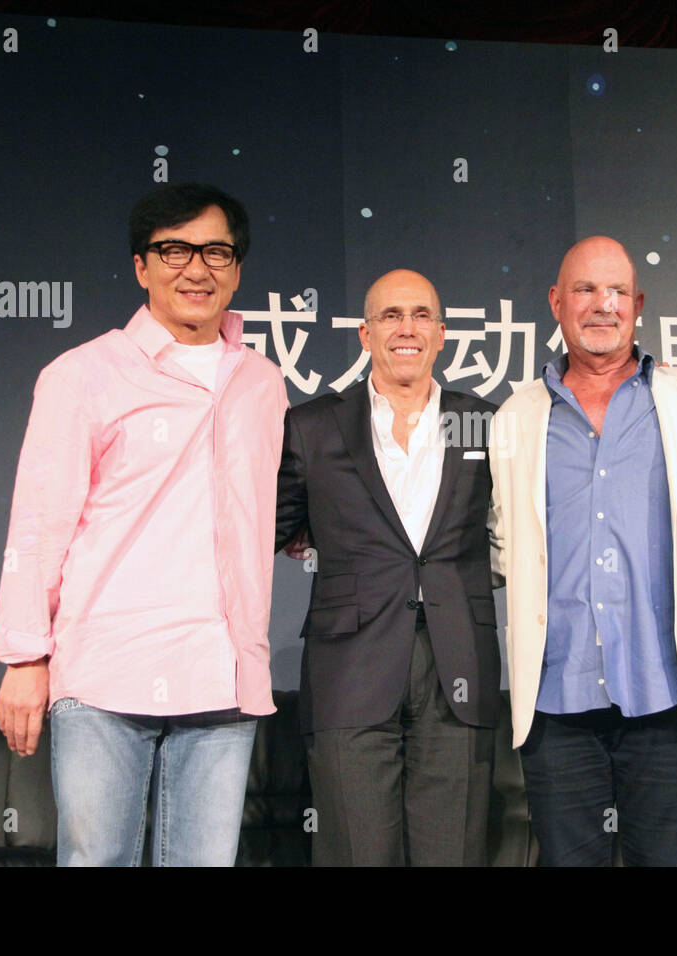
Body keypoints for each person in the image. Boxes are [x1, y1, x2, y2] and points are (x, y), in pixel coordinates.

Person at [0, 182, 288, 866]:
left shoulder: (263, 383)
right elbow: (38, 523)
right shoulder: (83, 375)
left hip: (222, 678)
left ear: (237, 268)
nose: (197, 267)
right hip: (105, 674)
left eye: (216, 251)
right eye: (174, 249)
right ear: (141, 266)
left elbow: (266, 510)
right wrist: (26, 656)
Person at [489, 236, 677, 867]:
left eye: (618, 291)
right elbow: (501, 545)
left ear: (639, 303)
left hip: (664, 698)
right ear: (555, 302)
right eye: (585, 290)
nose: (604, 305)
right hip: (556, 703)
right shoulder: (516, 418)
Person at [275, 269, 500, 866]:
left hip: (458, 663)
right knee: (355, 852)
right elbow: (262, 528)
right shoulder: (313, 427)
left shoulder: (487, 421)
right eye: (391, 316)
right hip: (350, 665)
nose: (407, 328)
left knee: (452, 854)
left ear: (443, 333)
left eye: (422, 315)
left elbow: (523, 531)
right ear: (364, 334)